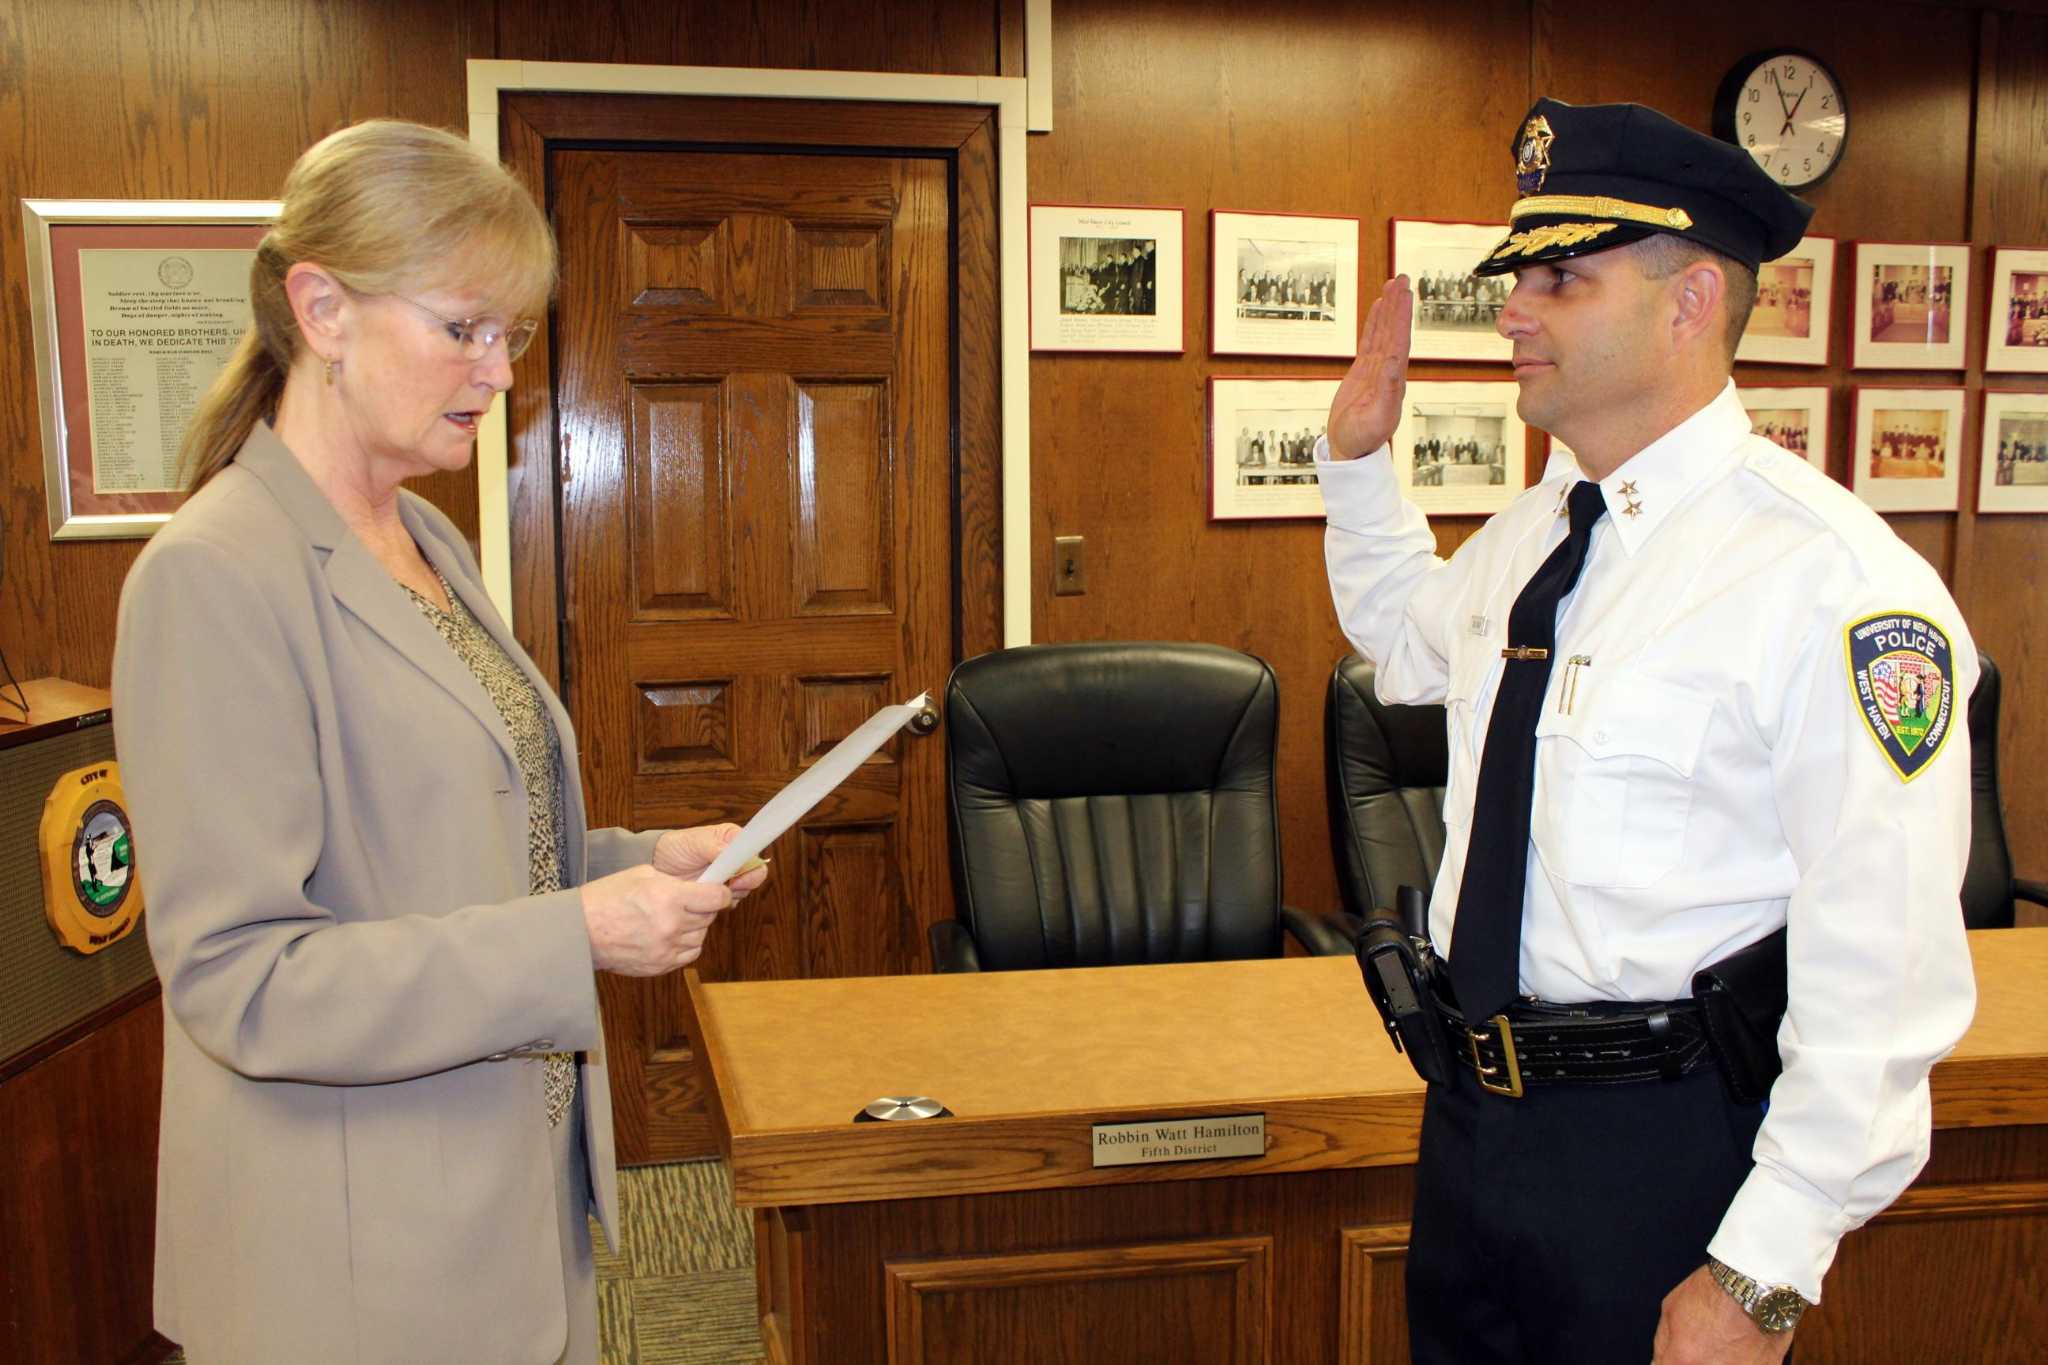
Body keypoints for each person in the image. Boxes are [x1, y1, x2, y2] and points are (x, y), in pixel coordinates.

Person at [1320, 98, 1976, 1365]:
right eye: (1522, 279)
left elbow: (1880, 978)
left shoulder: (1834, 584)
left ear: (1687, 304)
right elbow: (1404, 639)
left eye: (1560, 279)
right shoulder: (1540, 531)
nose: (1513, 311)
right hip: (1475, 1130)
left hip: (1669, 1158)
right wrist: (1355, 465)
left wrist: (1759, 1277)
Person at [112, 120, 770, 1365]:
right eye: (463, 327)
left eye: (510, 334)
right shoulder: (212, 576)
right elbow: (244, 981)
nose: (500, 372)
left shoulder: (429, 541)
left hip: (509, 1206)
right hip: (359, 1269)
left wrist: (631, 863)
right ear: (322, 309)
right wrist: (577, 933)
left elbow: (461, 844)